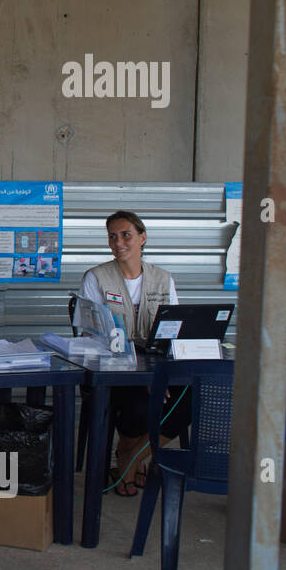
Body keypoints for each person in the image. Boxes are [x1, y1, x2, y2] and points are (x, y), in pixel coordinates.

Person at [80, 210, 190, 497]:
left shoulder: (164, 279)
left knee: (190, 397)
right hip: (113, 366)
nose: (118, 242)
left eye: (126, 235)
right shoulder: (96, 278)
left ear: (142, 237)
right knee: (139, 403)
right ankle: (130, 456)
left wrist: (158, 374)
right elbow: (94, 338)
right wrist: (141, 374)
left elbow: (174, 331)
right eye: (112, 237)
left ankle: (132, 456)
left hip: (157, 363)